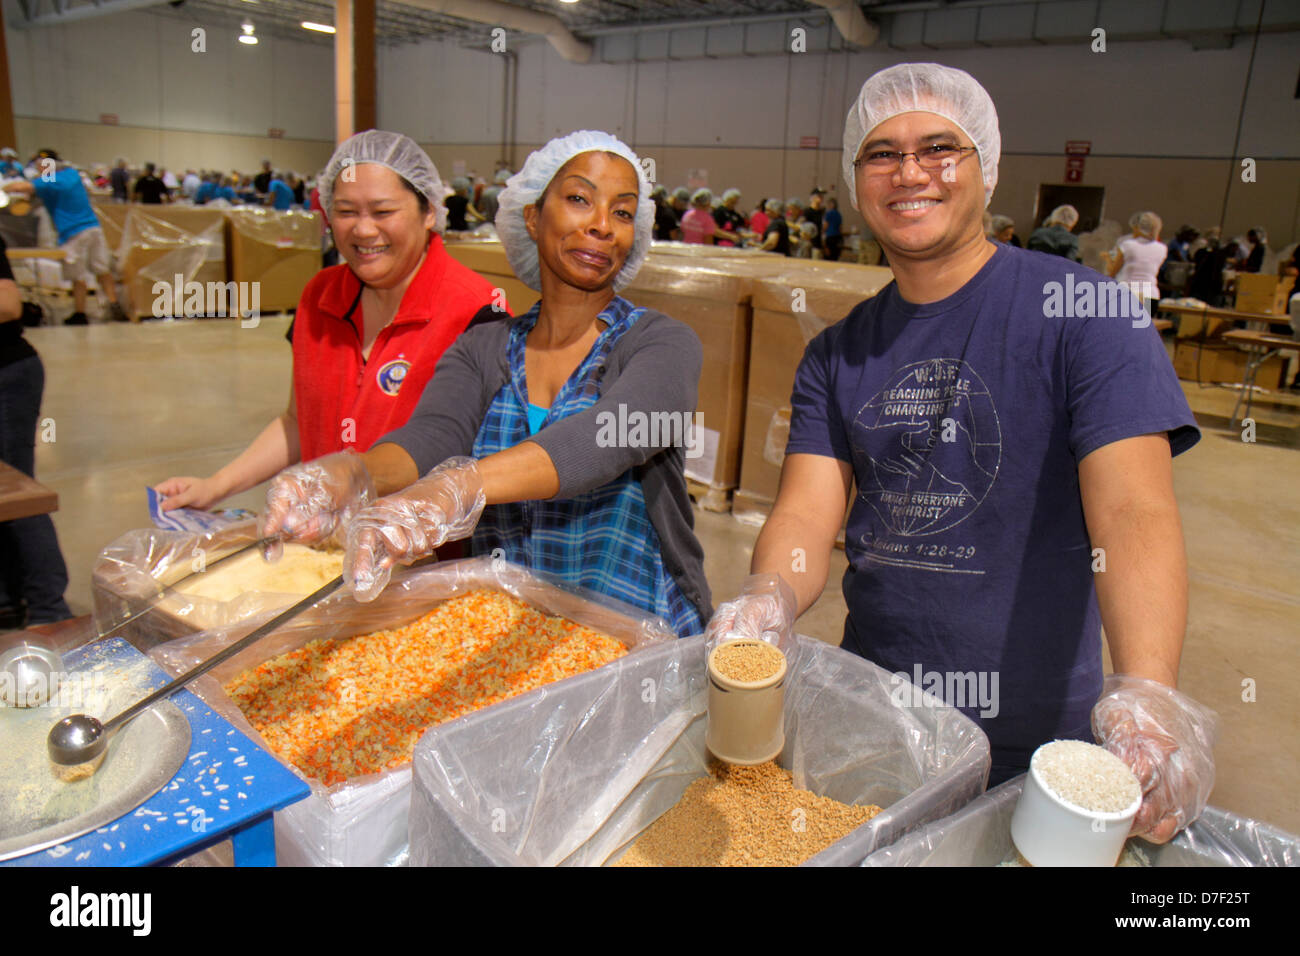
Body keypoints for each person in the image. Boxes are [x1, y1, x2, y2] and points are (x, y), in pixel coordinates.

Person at [707, 63, 1216, 844]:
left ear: (988, 167)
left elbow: (1133, 511)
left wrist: (1147, 694)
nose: (911, 171)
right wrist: (770, 596)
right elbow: (808, 513)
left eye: (940, 147)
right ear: (856, 179)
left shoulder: (1088, 314)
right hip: (876, 722)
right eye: (882, 153)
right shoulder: (838, 354)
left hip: (1038, 741)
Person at [260, 130, 711, 638]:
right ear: (534, 217)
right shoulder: (485, 347)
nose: (603, 226)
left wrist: (460, 487)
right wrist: (352, 472)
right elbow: (431, 438)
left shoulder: (663, 344)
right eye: (580, 199)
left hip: (638, 633)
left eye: (623, 212)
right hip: (506, 636)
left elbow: (610, 437)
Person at [155, 131, 506, 512]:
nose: (363, 229)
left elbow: (488, 461)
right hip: (323, 541)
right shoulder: (319, 299)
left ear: (429, 211)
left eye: (383, 211)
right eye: (345, 211)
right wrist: (216, 486)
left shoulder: (477, 313)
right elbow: (297, 422)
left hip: (423, 555)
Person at [0, 234, 72, 628]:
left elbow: (8, 304)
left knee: (16, 495)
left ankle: (51, 611)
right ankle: (9, 598)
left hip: (8, 373)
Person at [3, 151, 127, 325]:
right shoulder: (72, 175)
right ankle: (115, 306)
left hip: (74, 232)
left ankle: (80, 313)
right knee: (102, 269)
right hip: (93, 227)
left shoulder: (50, 181)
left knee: (79, 275)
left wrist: (4, 187)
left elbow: (22, 188)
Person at [1108, 211, 1167, 320]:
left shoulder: (1128, 245)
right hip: (1150, 295)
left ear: (1138, 228)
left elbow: (1113, 271)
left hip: (1127, 293)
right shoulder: (1162, 248)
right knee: (1141, 332)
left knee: (1120, 331)